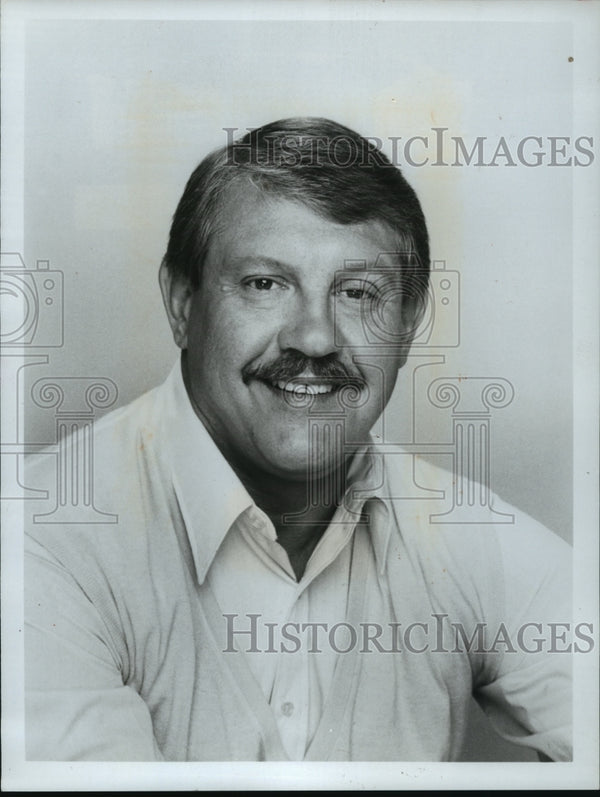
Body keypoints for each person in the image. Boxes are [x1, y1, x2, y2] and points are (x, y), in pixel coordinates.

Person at [24, 118, 572, 762]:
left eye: (358, 292)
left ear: (409, 322)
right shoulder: (41, 539)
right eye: (265, 284)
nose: (314, 338)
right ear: (181, 301)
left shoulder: (467, 538)